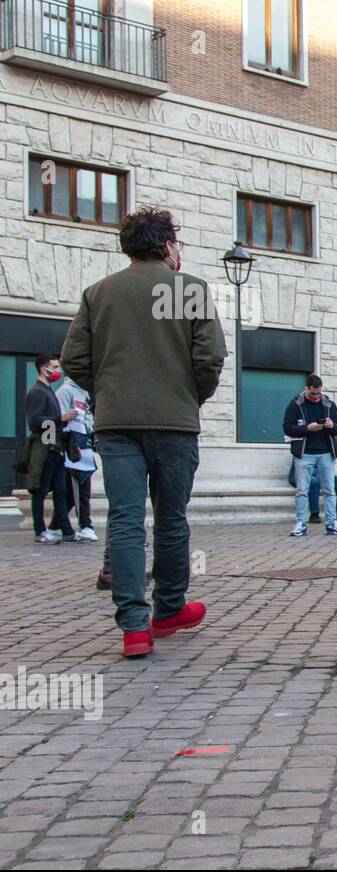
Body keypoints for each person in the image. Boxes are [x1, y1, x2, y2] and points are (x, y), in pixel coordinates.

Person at [61, 206, 226, 658]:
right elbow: (209, 358)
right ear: (169, 245)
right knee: (171, 519)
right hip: (174, 422)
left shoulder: (100, 293)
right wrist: (191, 396)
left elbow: (74, 361)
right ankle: (169, 608)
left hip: (116, 424)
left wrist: (110, 390)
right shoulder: (189, 288)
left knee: (126, 519)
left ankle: (134, 626)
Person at [284, 374, 337, 537]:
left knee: (330, 490)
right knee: (302, 490)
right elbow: (287, 428)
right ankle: (300, 524)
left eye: (318, 394)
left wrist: (332, 426)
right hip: (304, 454)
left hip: (326, 453)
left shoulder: (329, 404)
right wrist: (307, 428)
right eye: (313, 394)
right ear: (306, 389)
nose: (316, 397)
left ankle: (332, 523)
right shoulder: (295, 404)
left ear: (321, 389)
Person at [25, 354, 77, 545]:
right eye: (54, 367)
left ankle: (67, 531)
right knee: (40, 490)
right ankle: (40, 531)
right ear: (43, 369)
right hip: (45, 447)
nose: (58, 371)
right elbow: (35, 421)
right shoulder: (37, 392)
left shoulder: (48, 391)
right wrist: (61, 419)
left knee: (61, 491)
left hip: (55, 447)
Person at [56, 373, 98, 542]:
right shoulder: (64, 391)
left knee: (74, 490)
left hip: (83, 446)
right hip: (70, 448)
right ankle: (84, 525)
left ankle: (57, 525)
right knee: (76, 489)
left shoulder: (86, 393)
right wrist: (54, 446)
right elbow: (49, 422)